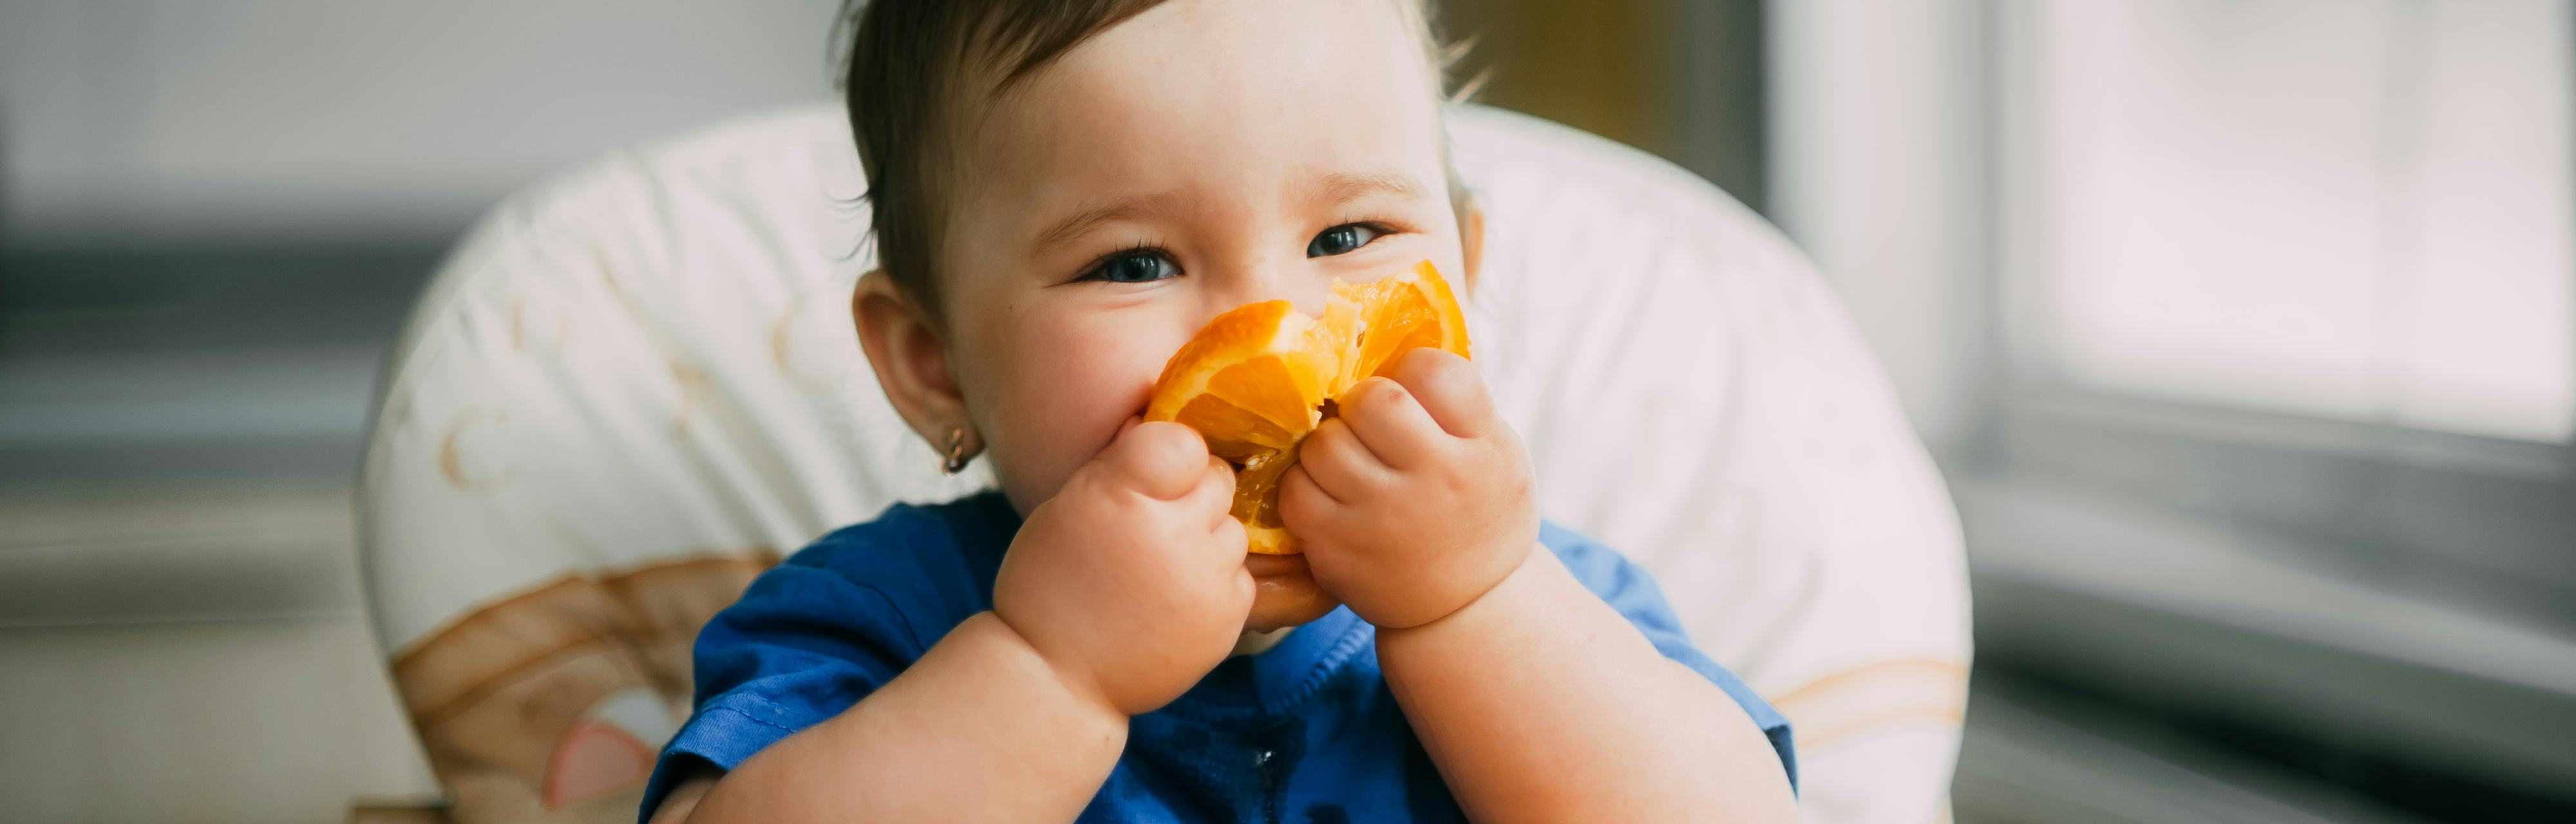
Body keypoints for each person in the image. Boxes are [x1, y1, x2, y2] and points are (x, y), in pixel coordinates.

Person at [641, 1, 1797, 821]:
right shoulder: (878, 624)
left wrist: (1474, 609)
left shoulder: (1561, 606)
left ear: (1464, 281)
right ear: (935, 364)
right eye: (1134, 263)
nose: (1273, 333)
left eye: (1348, 239)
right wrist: (1051, 673)